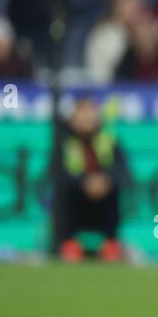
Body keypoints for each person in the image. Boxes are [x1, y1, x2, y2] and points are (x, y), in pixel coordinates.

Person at [55, 98, 130, 262]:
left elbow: (124, 171)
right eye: (81, 115)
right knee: (63, 192)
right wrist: (84, 182)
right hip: (76, 201)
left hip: (103, 200)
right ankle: (68, 243)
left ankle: (111, 244)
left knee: (115, 190)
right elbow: (57, 174)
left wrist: (105, 181)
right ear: (73, 119)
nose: (86, 120)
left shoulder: (109, 141)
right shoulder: (63, 143)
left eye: (90, 115)